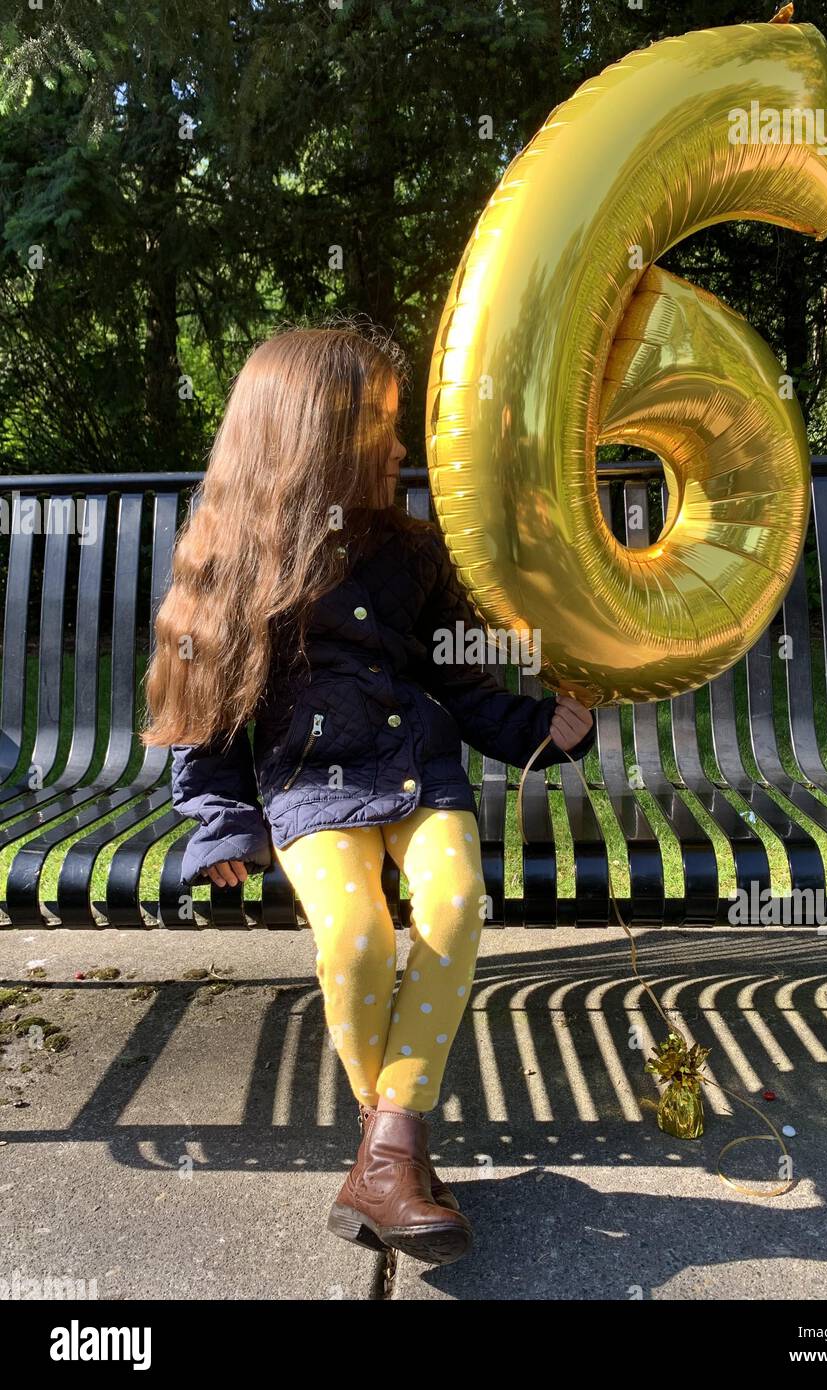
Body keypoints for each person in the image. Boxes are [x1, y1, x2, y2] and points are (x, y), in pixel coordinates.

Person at [141, 316, 595, 1267]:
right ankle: (394, 1152)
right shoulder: (233, 561)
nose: (400, 445)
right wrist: (220, 823)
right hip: (307, 790)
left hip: (422, 774)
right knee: (356, 941)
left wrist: (534, 731)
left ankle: (382, 1158)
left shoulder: (412, 551)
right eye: (382, 425)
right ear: (316, 433)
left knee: (457, 900)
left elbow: (460, 680)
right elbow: (199, 709)